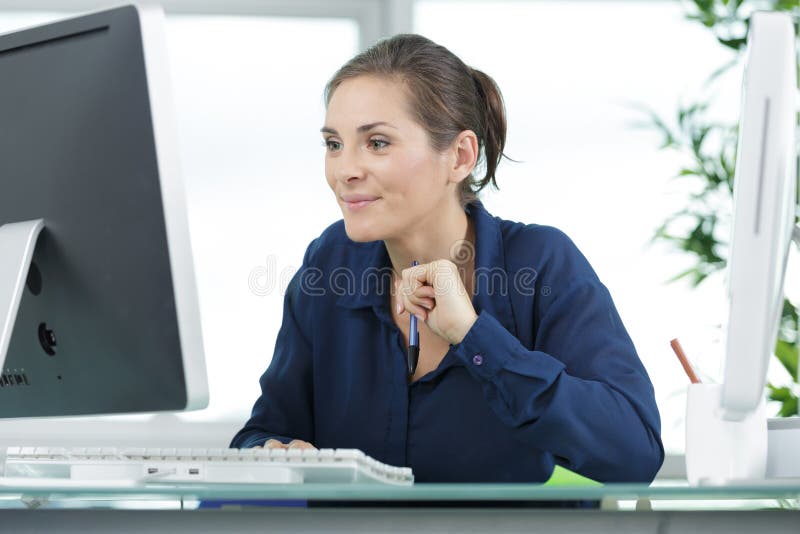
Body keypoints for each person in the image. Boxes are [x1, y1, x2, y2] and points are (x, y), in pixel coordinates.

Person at [230, 33, 664, 484]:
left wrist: (474, 336)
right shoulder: (329, 264)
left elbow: (635, 451)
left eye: (377, 143)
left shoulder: (541, 264)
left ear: (459, 156)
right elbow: (264, 431)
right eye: (334, 144)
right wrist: (272, 452)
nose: (345, 170)